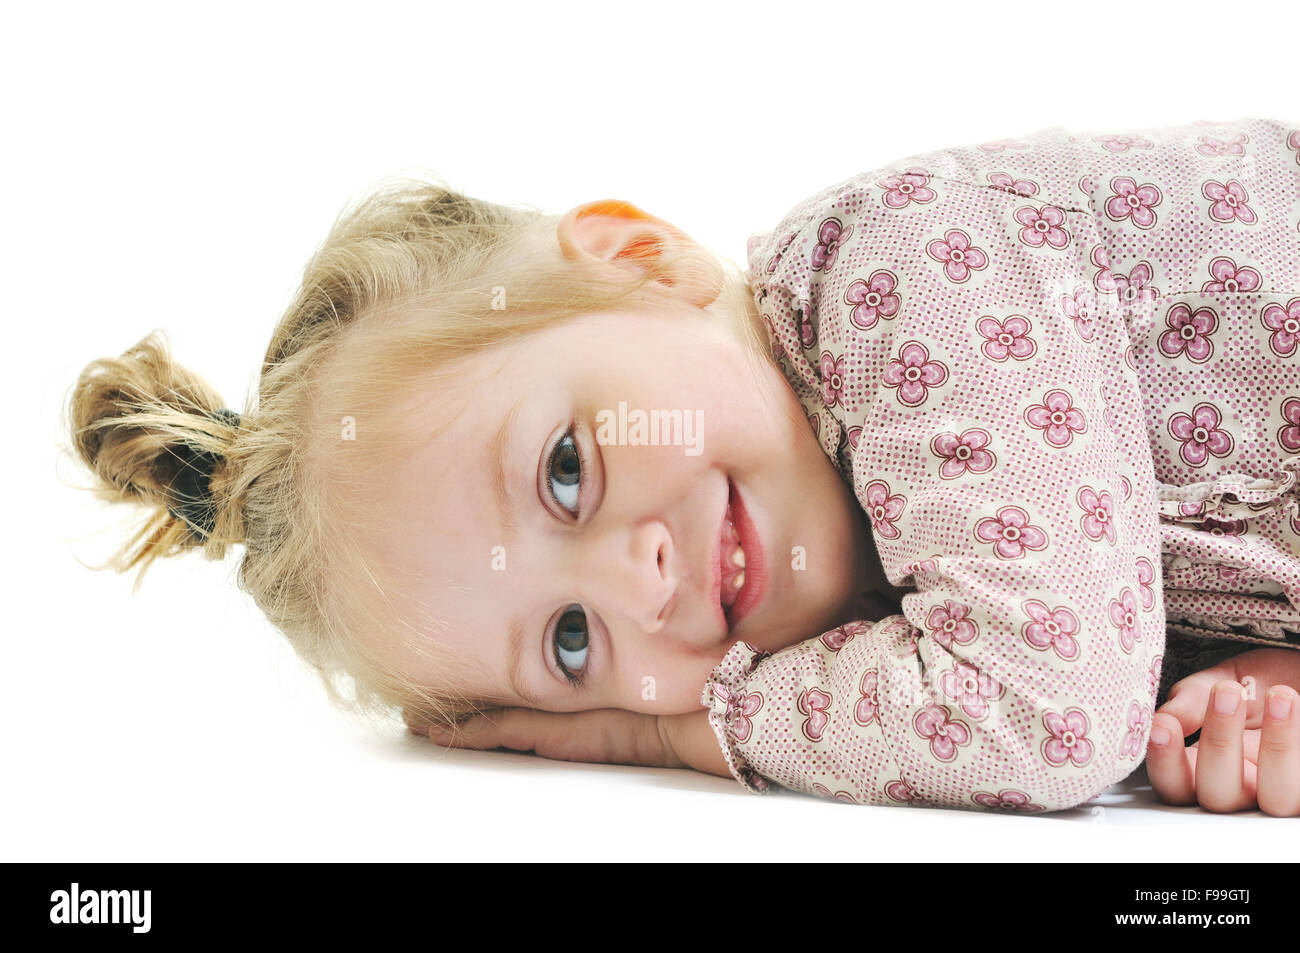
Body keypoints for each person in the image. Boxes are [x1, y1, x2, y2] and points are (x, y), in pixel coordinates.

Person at [65, 117, 1300, 814]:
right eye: (568, 644)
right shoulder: (910, 594)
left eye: (563, 471)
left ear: (642, 261)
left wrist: (670, 741)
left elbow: (1048, 712)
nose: (640, 580)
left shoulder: (896, 273)